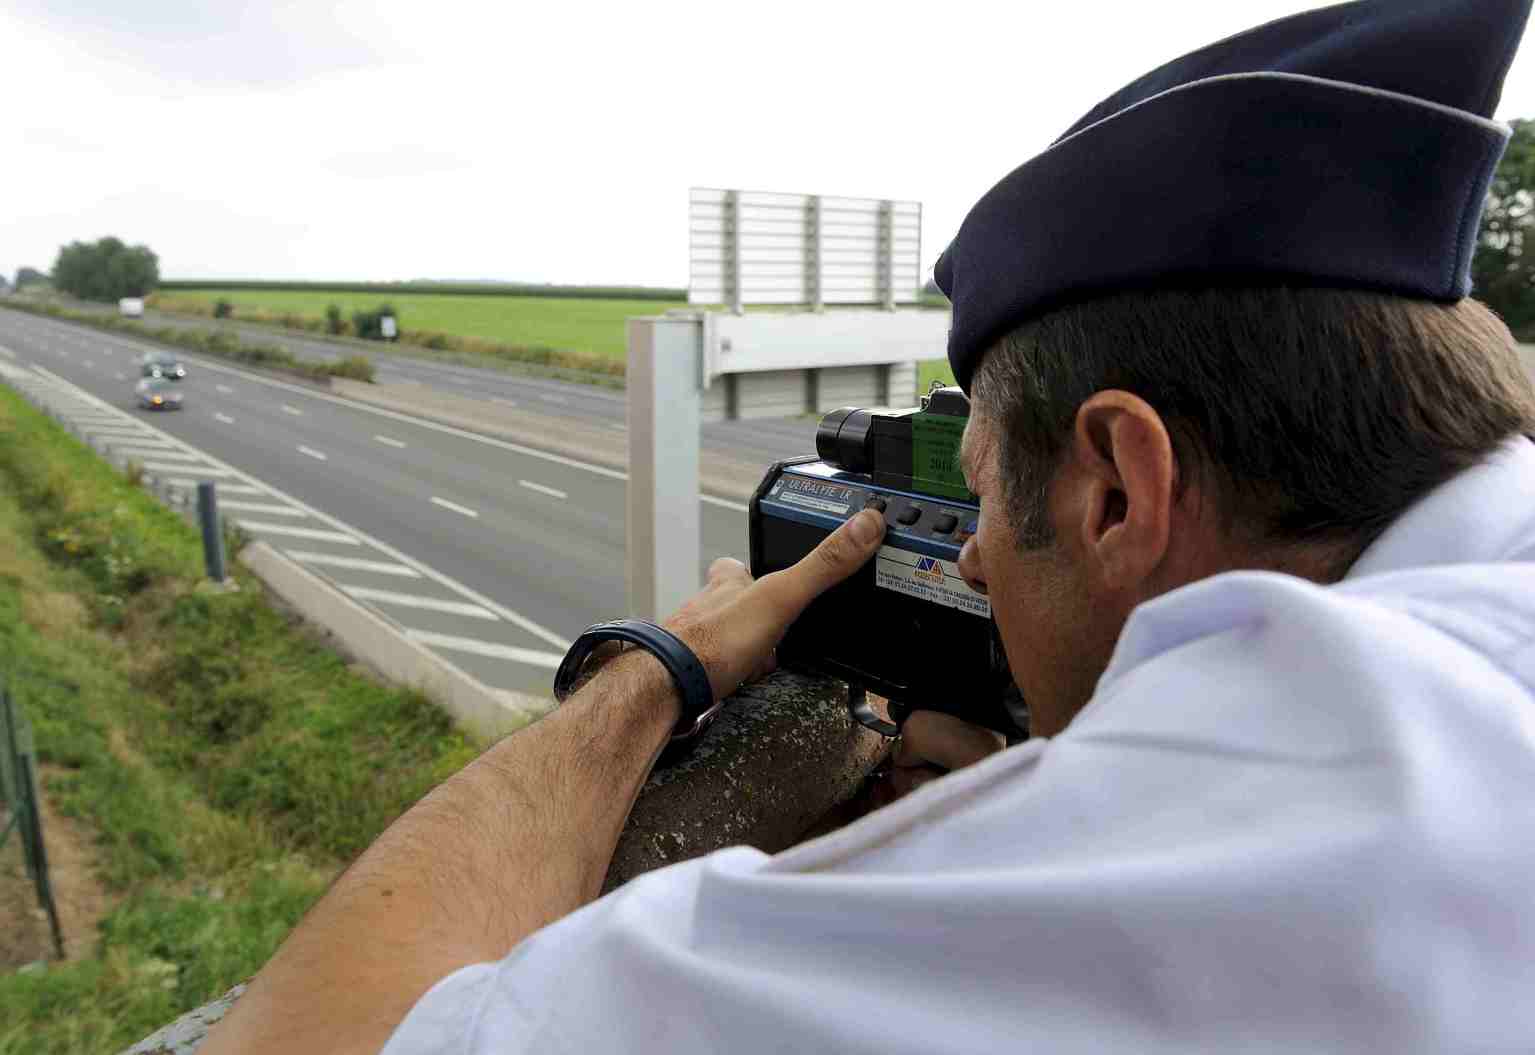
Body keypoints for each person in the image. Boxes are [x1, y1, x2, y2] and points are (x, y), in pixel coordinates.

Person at [204, 1, 1535, 1052]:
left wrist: (647, 679)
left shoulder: (1232, 819)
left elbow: (316, 1040)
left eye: (980, 499)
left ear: (1119, 489)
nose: (967, 557)